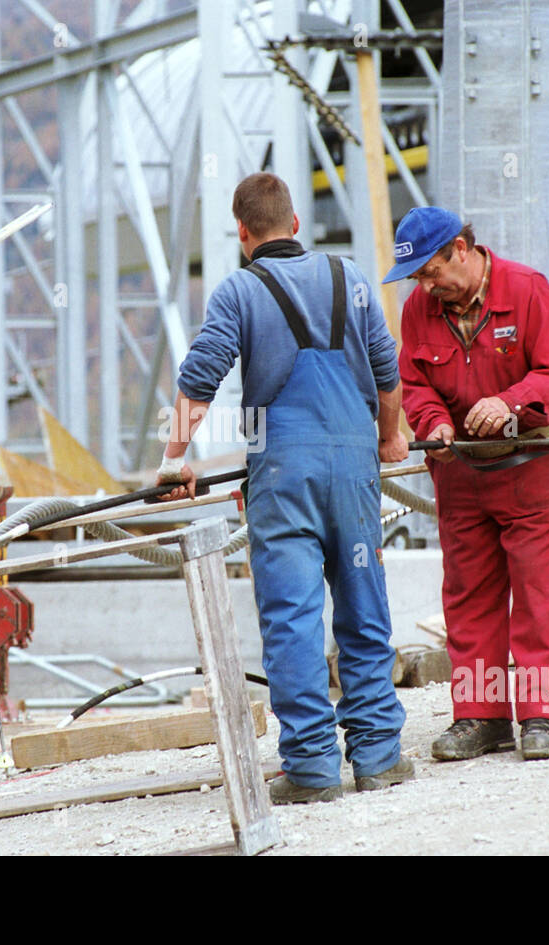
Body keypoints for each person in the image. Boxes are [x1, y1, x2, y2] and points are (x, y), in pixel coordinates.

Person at [155, 172, 412, 803]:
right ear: (296, 224)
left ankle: (312, 770)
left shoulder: (239, 292)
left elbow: (201, 376)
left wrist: (173, 460)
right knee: (364, 607)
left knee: (292, 619)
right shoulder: (351, 277)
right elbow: (386, 369)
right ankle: (378, 756)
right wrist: (390, 437)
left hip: (283, 471)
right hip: (354, 468)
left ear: (244, 233)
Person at [389, 207, 549, 761]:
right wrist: (434, 423)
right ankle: (482, 717)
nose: (426, 287)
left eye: (430, 272)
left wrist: (509, 402)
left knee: (537, 591)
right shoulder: (418, 312)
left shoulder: (527, 290)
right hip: (461, 475)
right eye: (417, 279)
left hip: (532, 466)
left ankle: (541, 716)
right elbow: (414, 383)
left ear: (460, 248)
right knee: (469, 594)